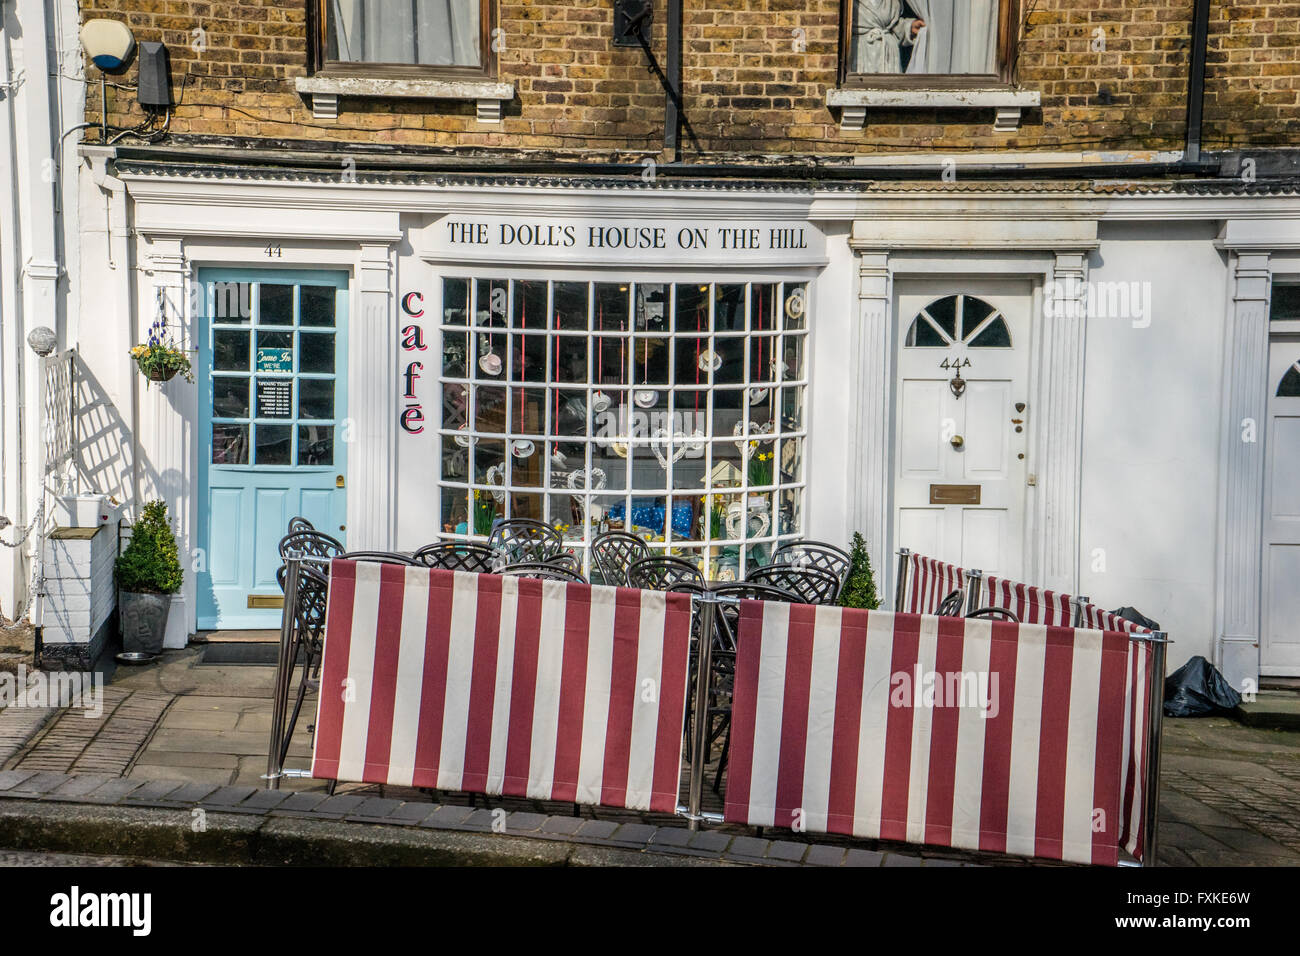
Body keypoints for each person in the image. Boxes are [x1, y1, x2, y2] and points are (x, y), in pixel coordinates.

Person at [853, 0, 925, 74]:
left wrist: (910, 27)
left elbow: (893, 26)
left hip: (888, 55)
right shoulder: (849, 4)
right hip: (861, 52)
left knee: (888, 83)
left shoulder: (892, 2)